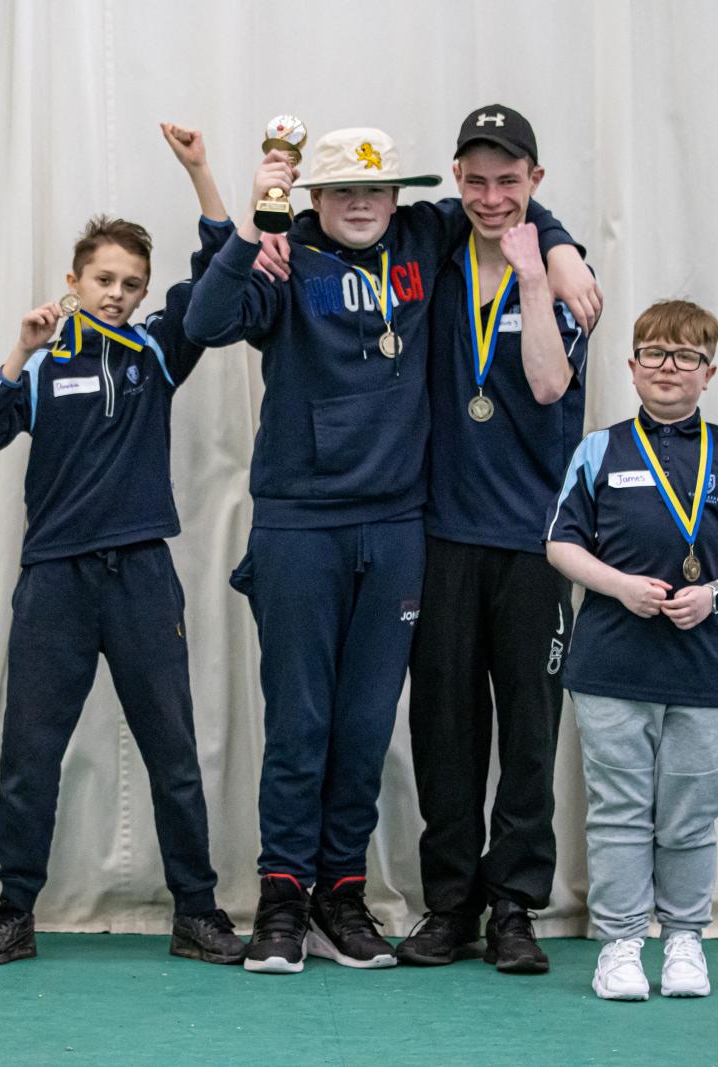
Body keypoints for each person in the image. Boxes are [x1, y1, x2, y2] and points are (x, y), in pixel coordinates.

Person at [185, 125, 586, 973]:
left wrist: (560, 246)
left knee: (366, 724)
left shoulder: (427, 234)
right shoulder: (286, 254)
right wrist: (261, 221)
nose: (361, 205)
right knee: (302, 720)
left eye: (375, 191)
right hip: (299, 522)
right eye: (339, 193)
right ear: (315, 199)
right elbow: (207, 319)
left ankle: (341, 892)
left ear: (400, 195)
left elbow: (502, 201)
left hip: (400, 525)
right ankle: (283, 898)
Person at [0, 124, 244, 968]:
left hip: (143, 573)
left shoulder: (157, 351)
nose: (117, 293)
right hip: (55, 579)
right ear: (74, 282)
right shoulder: (44, 362)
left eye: (132, 283)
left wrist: (200, 170)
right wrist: (21, 348)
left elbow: (222, 272)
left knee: (174, 750)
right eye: (104, 280)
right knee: (30, 755)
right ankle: (14, 910)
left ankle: (196, 909)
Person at [544, 299, 718, 1000]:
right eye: (653, 353)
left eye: (685, 356)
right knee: (619, 805)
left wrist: (714, 595)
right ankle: (621, 943)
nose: (667, 368)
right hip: (612, 662)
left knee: (690, 805)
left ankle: (684, 939)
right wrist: (620, 586)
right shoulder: (599, 450)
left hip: (704, 665)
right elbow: (561, 544)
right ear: (631, 365)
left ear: (708, 372)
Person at [398, 105, 589, 975]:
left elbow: (550, 386)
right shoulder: (435, 254)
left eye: (508, 181)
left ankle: (515, 903)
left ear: (535, 182)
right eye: (474, 179)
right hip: (441, 534)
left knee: (529, 728)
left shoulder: (564, 277)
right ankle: (450, 904)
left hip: (534, 542)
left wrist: (543, 270)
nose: (490, 196)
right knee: (444, 727)